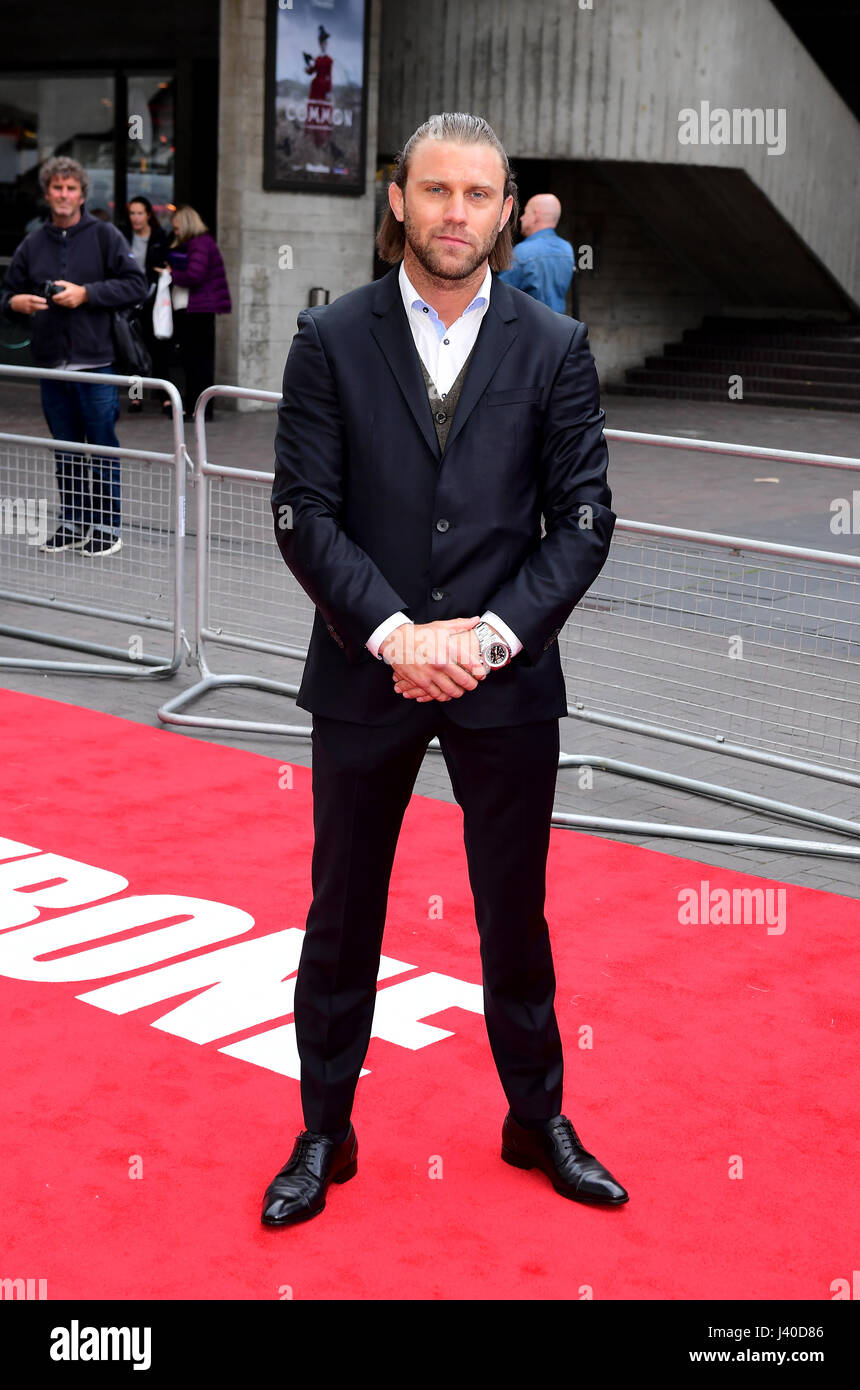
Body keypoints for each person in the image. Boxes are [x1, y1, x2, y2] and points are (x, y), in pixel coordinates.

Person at [264, 112, 626, 1228]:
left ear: (506, 208)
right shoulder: (330, 339)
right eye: (434, 191)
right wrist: (391, 634)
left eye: (477, 194)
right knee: (341, 912)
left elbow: (582, 521)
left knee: (514, 915)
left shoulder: (552, 346)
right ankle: (325, 1128)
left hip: (505, 682)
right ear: (397, 202)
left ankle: (535, 1118)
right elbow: (302, 513)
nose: (455, 213)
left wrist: (485, 637)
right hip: (364, 668)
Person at [0, 155, 148, 556]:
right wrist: (16, 303)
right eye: (56, 188)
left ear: (82, 193)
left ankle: (106, 526)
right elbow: (6, 294)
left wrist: (87, 293)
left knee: (101, 446)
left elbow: (137, 285)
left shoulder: (104, 236)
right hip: (52, 365)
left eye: (71, 188)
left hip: (97, 362)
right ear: (47, 193)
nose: (63, 195)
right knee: (64, 446)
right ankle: (72, 521)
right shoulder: (33, 242)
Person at [154, 204, 231, 421]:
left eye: (177, 227)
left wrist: (172, 273)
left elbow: (194, 275)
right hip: (198, 310)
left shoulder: (199, 244)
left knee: (196, 363)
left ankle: (198, 410)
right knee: (197, 362)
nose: (175, 231)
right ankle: (197, 409)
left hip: (196, 310)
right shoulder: (202, 243)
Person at [118, 195, 172, 413]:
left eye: (140, 213)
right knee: (133, 350)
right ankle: (136, 398)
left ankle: (164, 397)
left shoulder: (160, 236)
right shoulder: (123, 235)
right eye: (132, 213)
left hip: (152, 300)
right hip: (129, 300)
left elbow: (167, 263)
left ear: (148, 214)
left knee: (158, 348)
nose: (136, 218)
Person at [498, 192, 575, 313]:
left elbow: (499, 296)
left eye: (526, 212)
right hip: (559, 327)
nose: (521, 218)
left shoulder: (522, 252)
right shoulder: (567, 249)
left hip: (529, 329)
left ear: (536, 215)